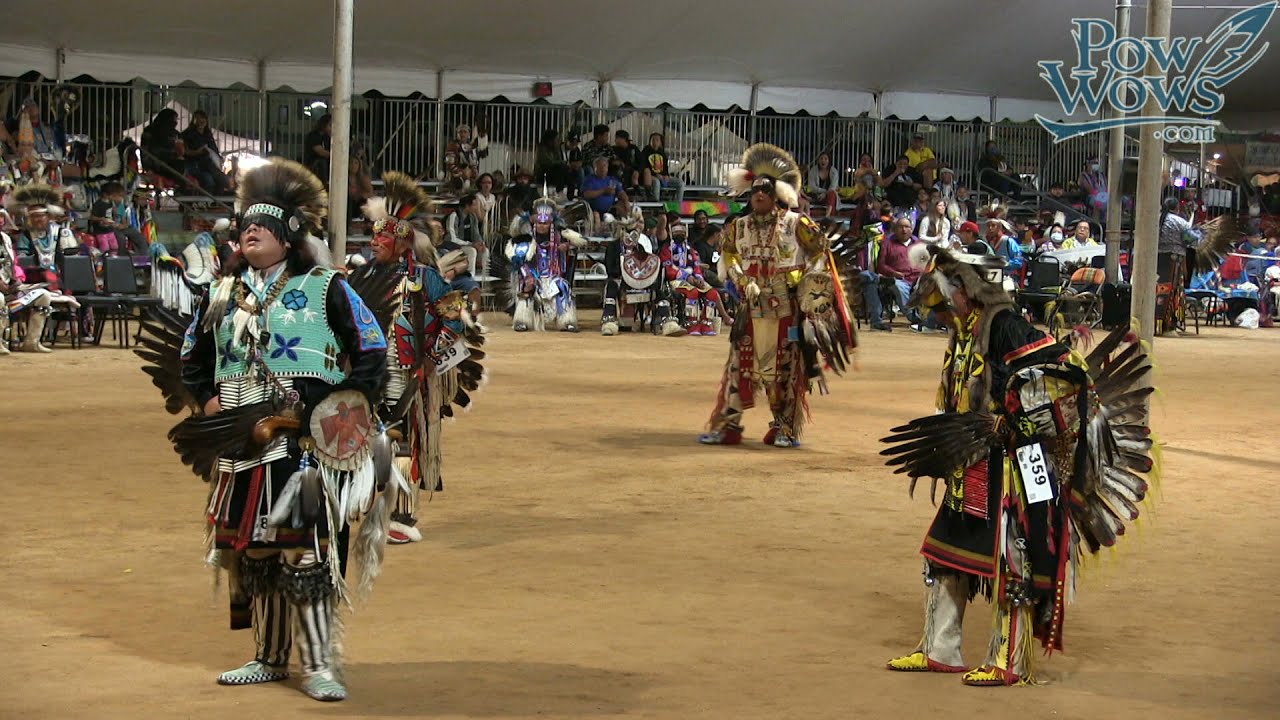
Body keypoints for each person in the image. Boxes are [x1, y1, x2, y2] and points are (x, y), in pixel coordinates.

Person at [882, 243, 1157, 686]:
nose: (939, 317)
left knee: (1015, 556)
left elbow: (1070, 376)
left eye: (942, 306)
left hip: (1017, 463)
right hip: (973, 460)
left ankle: (1009, 658)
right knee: (944, 553)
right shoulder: (967, 331)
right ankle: (940, 650)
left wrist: (1011, 420)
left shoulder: (1007, 327)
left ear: (963, 292)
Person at [171, 159, 391, 701]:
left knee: (304, 548)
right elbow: (191, 357)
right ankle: (268, 656)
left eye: (262, 227)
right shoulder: (220, 293)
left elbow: (371, 349)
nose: (249, 232)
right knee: (254, 550)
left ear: (289, 238)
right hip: (238, 436)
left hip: (302, 443)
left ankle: (319, 664)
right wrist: (203, 400)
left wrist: (335, 405)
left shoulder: (325, 287)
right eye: (245, 225)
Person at [358, 171, 487, 545]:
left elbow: (457, 318)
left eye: (382, 236)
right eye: (374, 235)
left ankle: (401, 515)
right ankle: (373, 510)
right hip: (369, 374)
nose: (374, 241)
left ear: (402, 243)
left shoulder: (425, 278)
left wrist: (432, 358)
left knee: (400, 442)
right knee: (368, 442)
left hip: (409, 372)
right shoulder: (362, 277)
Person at [699, 143, 854, 448]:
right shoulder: (737, 226)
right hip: (751, 307)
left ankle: (783, 427)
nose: (759, 196)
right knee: (738, 367)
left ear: (776, 196)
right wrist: (741, 280)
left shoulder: (797, 224)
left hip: (786, 307)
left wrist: (812, 292)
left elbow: (820, 255)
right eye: (755, 191)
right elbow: (727, 256)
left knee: (783, 371)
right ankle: (728, 425)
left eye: (766, 192)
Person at [505, 193, 586, 332]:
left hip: (553, 276)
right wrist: (528, 276)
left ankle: (566, 321)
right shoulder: (527, 240)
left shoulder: (560, 238)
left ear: (551, 223)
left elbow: (577, 247)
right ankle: (522, 320)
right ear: (535, 223)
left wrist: (566, 249)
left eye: (546, 223)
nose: (542, 226)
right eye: (540, 223)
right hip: (533, 276)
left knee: (563, 286)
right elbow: (520, 262)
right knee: (528, 287)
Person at [860, 216, 922, 332]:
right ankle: (879, 321)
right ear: (895, 229)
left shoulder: (918, 244)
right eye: (900, 227)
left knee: (893, 284)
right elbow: (881, 266)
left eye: (906, 227)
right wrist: (894, 273)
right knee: (872, 280)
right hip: (895, 278)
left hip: (914, 280)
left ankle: (913, 316)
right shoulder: (888, 243)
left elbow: (925, 264)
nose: (903, 230)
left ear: (912, 229)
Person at [662, 220, 723, 335]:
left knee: (712, 293)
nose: (679, 234)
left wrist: (699, 277)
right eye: (676, 232)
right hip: (676, 280)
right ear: (671, 233)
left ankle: (706, 323)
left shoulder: (690, 249)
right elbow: (668, 269)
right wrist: (686, 276)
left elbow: (696, 265)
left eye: (682, 232)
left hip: (694, 278)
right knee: (693, 292)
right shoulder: (666, 250)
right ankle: (692, 324)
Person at [1155, 196, 1198, 335]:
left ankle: (1153, 323)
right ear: (1177, 208)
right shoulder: (1180, 222)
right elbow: (1191, 240)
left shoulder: (1154, 219)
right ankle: (1166, 326)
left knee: (1157, 290)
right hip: (1172, 261)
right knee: (1170, 290)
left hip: (1154, 260)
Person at [442, 192, 485, 310]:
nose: (476, 208)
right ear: (467, 205)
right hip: (452, 245)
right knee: (472, 251)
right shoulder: (454, 216)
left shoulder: (473, 218)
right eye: (475, 205)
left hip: (466, 244)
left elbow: (476, 234)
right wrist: (472, 244)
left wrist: (481, 244)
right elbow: (452, 237)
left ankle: (484, 279)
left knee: (484, 251)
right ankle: (470, 276)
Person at [181, 110, 231, 194]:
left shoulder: (208, 134)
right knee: (208, 181)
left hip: (209, 165)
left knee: (223, 180)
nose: (201, 123)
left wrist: (218, 158)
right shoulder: (187, 134)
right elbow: (184, 152)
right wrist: (196, 152)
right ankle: (205, 202)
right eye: (198, 120)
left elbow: (214, 149)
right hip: (195, 166)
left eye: (203, 121)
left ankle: (215, 202)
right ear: (194, 121)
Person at [141, 108, 188, 186]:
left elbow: (181, 149)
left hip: (171, 162)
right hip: (156, 162)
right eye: (174, 120)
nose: (175, 123)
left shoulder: (175, 133)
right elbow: (146, 151)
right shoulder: (151, 131)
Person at [581, 156, 630, 222]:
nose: (603, 168)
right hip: (593, 210)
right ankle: (597, 231)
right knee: (596, 215)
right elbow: (587, 194)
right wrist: (604, 191)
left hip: (610, 209)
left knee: (622, 204)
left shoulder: (612, 180)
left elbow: (621, 193)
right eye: (600, 166)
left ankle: (626, 226)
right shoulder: (589, 179)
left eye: (604, 166)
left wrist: (626, 201)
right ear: (595, 168)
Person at [641, 133, 684, 203]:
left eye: (657, 140)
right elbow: (645, 167)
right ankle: (656, 204)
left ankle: (678, 203)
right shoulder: (645, 152)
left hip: (662, 176)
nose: (655, 141)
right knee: (656, 183)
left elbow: (665, 167)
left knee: (680, 183)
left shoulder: (662, 153)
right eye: (653, 140)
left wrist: (666, 175)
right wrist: (655, 175)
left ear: (660, 142)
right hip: (651, 176)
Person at [806, 152, 840, 216]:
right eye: (821, 158)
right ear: (818, 160)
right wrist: (823, 191)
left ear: (829, 161)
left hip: (829, 196)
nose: (823, 161)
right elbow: (812, 186)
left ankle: (827, 216)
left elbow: (833, 187)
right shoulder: (813, 170)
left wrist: (825, 194)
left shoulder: (834, 171)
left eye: (825, 159)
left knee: (832, 194)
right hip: (816, 195)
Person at [303, 114, 332, 181]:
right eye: (330, 125)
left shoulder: (327, 137)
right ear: (324, 124)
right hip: (314, 166)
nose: (332, 128)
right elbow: (321, 152)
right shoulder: (314, 136)